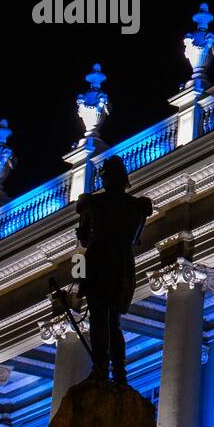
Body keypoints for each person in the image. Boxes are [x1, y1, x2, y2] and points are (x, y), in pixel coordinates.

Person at [75, 156, 153, 384]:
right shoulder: (137, 207)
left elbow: (85, 241)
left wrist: (80, 279)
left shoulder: (92, 203)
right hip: (122, 266)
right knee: (113, 321)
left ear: (105, 179)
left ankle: (100, 367)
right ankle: (119, 372)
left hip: (99, 264)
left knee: (100, 318)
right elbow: (135, 239)